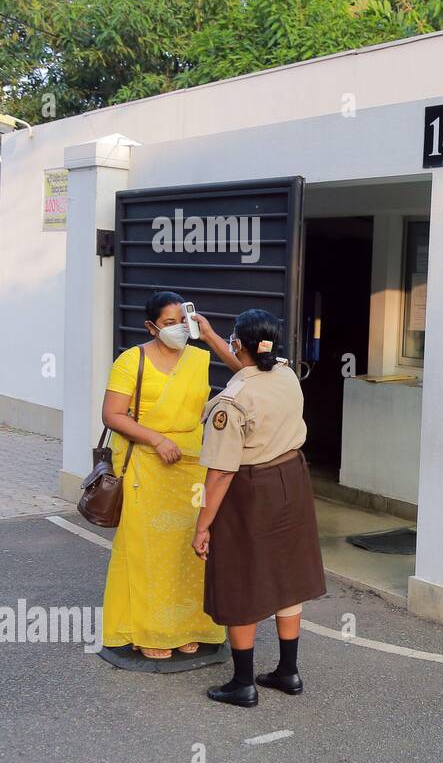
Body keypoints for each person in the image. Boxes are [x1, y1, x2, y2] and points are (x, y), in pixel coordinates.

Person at [192, 309, 327, 707]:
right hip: (292, 479)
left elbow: (218, 476)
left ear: (240, 344)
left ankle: (243, 683)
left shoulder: (230, 403)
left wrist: (202, 527)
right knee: (287, 574)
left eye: (232, 340)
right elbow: (248, 367)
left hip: (250, 489)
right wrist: (213, 336)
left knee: (240, 578)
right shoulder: (284, 374)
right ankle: (288, 672)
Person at [99, 291, 228, 660]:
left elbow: (243, 370)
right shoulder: (131, 360)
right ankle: (148, 631)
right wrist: (157, 439)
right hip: (146, 465)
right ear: (151, 327)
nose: (177, 329)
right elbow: (112, 415)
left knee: (188, 549)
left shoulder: (199, 358)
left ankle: (190, 627)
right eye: (169, 323)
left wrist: (210, 335)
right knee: (146, 550)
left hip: (192, 468)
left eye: (181, 321)